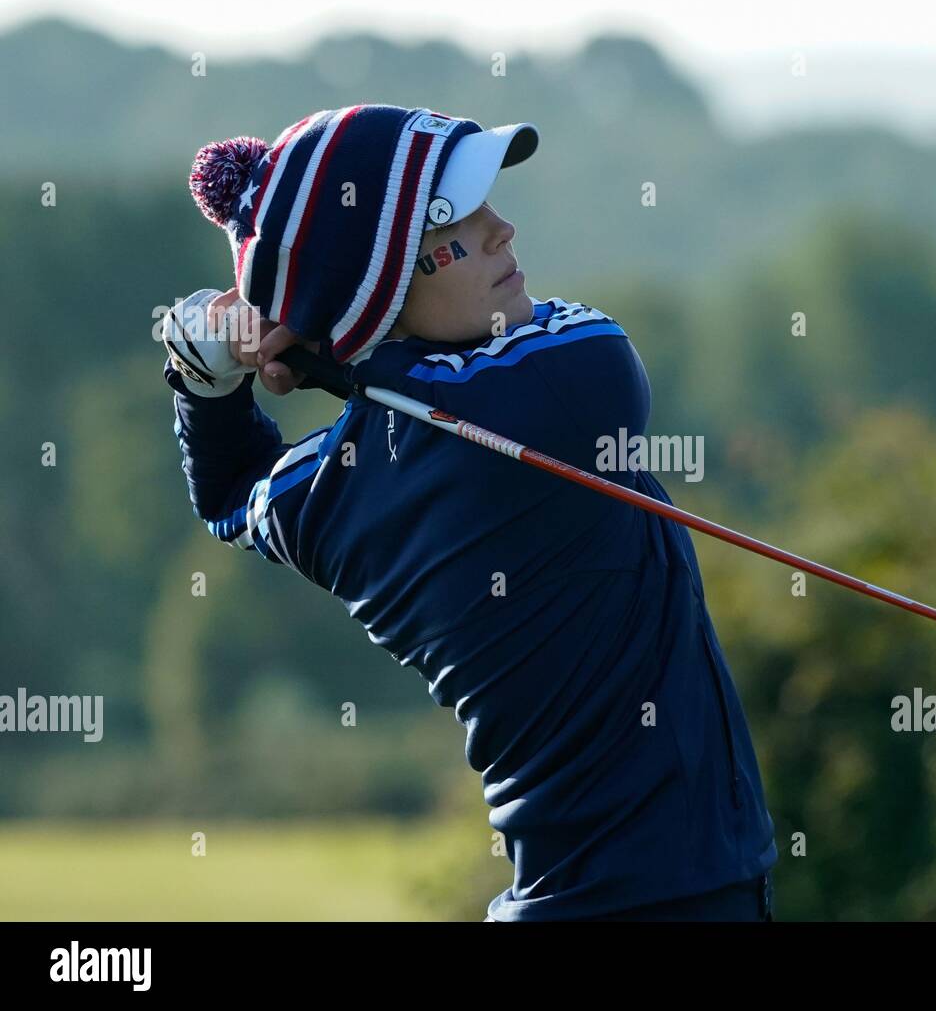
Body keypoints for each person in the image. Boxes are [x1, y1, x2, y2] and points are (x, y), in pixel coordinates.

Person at [162, 104, 777, 921]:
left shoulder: (330, 494)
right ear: (377, 279)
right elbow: (582, 337)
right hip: (673, 903)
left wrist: (210, 377)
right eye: (456, 221)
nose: (504, 231)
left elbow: (231, 492)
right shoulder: (569, 390)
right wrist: (325, 350)